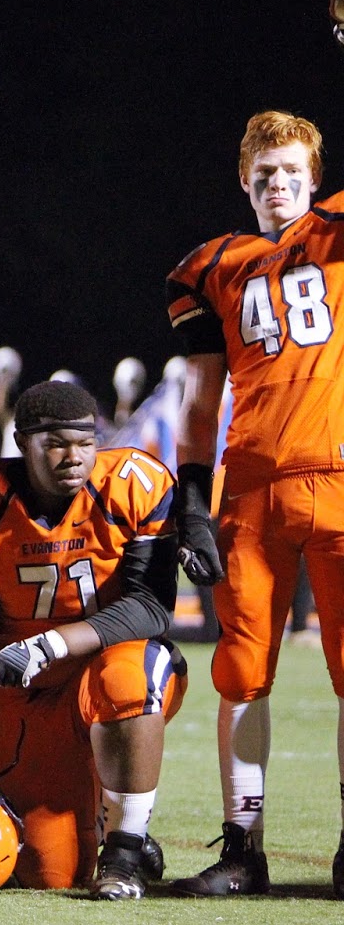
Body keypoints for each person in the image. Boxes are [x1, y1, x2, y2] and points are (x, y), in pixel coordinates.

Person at [165, 109, 344, 897]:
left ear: (315, 175)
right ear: (244, 180)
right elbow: (202, 402)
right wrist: (192, 501)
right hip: (253, 490)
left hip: (340, 479)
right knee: (240, 675)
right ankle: (244, 847)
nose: (278, 183)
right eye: (263, 172)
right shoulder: (212, 267)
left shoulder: (338, 233)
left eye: (291, 170)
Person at [0, 380, 184, 898]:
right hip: (33, 687)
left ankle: (125, 851)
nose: (75, 456)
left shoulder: (132, 484)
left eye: (86, 442)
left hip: (113, 659)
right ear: (22, 444)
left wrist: (54, 642)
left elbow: (152, 607)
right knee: (47, 873)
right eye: (56, 443)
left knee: (125, 681)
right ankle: (99, 819)